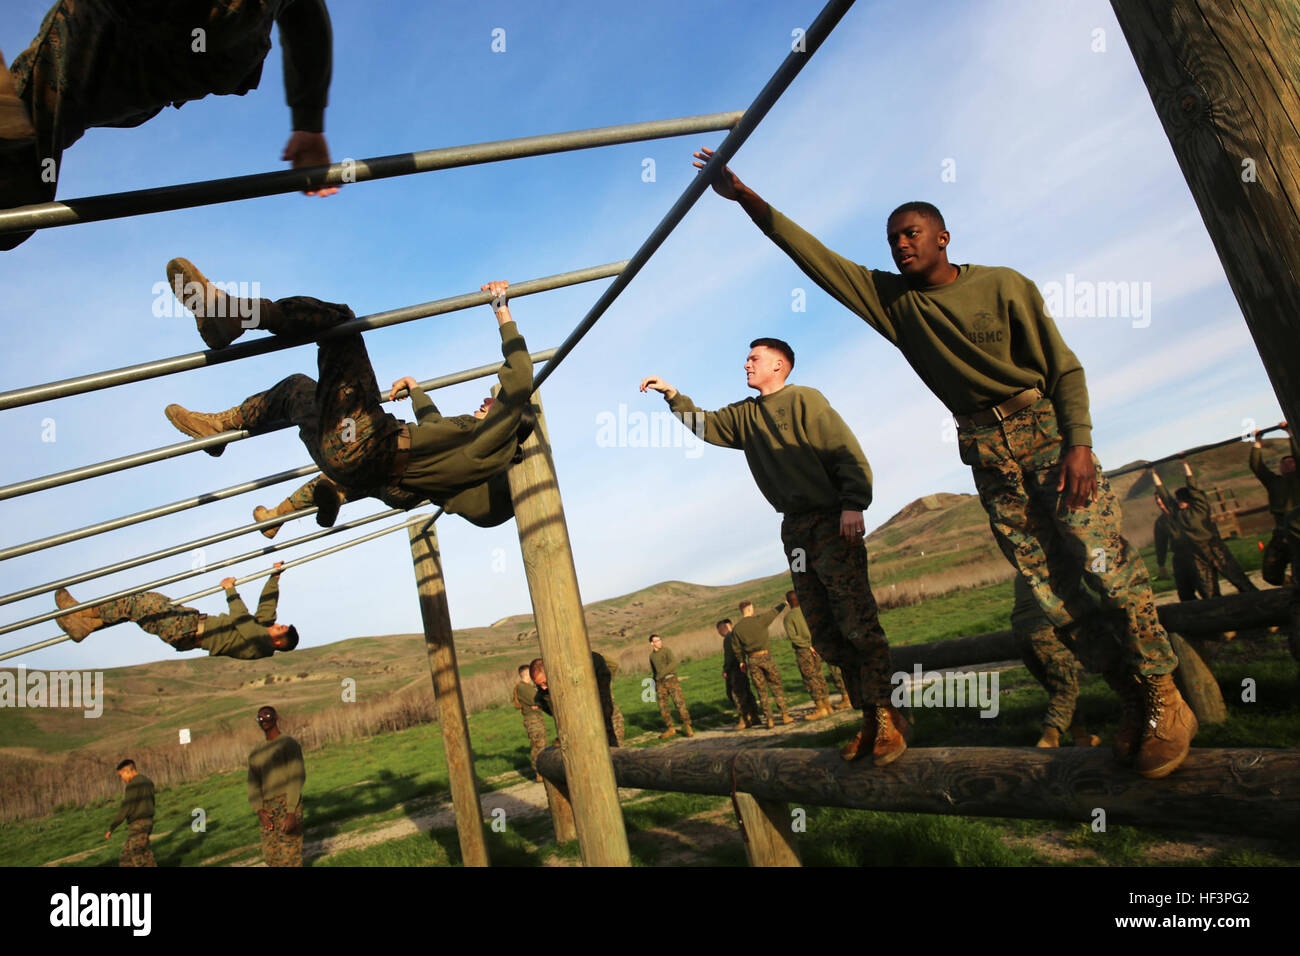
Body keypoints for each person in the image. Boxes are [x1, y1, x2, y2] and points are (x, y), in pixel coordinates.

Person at [694, 146, 1194, 779]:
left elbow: (1064, 366)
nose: (901, 245)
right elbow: (816, 260)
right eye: (892, 238)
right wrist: (747, 199)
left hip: (1044, 433)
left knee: (1106, 566)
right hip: (986, 452)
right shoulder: (896, 304)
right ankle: (1132, 698)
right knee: (1053, 591)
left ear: (941, 237)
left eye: (912, 234)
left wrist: (1080, 443)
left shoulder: (1003, 284)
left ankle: (1165, 696)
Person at [641, 339, 905, 765]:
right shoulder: (745, 416)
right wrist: (673, 395)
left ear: (779, 365)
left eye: (754, 358)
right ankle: (871, 720)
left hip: (832, 518)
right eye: (747, 358)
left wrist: (854, 501)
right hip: (795, 528)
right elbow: (705, 424)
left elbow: (842, 449)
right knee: (826, 633)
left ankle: (887, 717)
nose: (746, 364)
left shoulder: (805, 400)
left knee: (857, 623)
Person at [161, 263, 535, 525]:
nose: (489, 400)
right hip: (344, 454)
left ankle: (232, 314)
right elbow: (434, 423)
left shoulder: (493, 446)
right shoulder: (467, 445)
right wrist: (418, 390)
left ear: (509, 424)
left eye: (494, 402)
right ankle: (219, 427)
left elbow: (519, 380)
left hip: (367, 442)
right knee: (297, 389)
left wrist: (501, 308)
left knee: (342, 323)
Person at [2, 0, 336, 250]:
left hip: (163, 36)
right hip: (193, 56)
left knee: (31, 136)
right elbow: (306, 15)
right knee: (19, 193)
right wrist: (308, 123)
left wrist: (309, 120)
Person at [54, 562, 298, 659]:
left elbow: (243, 620)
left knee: (137, 603)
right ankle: (86, 625)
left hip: (187, 629)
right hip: (187, 626)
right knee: (143, 606)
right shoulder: (263, 635)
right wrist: (274, 576)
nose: (276, 625)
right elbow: (267, 610)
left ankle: (83, 613)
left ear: (278, 643)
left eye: (280, 629)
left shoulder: (261, 644)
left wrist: (230, 590)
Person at [1011, 576, 1101, 748]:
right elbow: (1078, 595)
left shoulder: (1023, 567)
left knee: (1057, 688)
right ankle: (1048, 741)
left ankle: (1080, 736)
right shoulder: (1053, 561)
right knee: (1067, 688)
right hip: (1045, 629)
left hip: (1021, 633)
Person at [1150, 458, 1257, 597]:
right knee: (1209, 591)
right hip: (1197, 555)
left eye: (1180, 499)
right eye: (1177, 500)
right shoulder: (1177, 514)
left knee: (1238, 579)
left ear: (1188, 499)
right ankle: (1217, 612)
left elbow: (1193, 487)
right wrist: (1152, 472)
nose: (1177, 501)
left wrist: (1185, 464)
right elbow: (1164, 494)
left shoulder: (1200, 508)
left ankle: (1257, 601)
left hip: (1214, 548)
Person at [247, 705, 305, 867]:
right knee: (271, 857)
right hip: (267, 809)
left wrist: (291, 812)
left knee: (289, 856)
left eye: (267, 716)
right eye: (260, 718)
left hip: (287, 803)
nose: (263, 720)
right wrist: (259, 810)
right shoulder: (256, 752)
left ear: (276, 717)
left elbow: (296, 777)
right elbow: (252, 783)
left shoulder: (288, 744)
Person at [727, 599, 795, 732]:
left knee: (761, 690)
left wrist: (742, 661)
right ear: (751, 609)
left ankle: (769, 719)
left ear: (741, 611)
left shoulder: (737, 629)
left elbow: (736, 649)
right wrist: (784, 604)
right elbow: (774, 612)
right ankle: (785, 715)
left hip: (752, 660)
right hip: (766, 657)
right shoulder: (760, 620)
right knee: (776, 686)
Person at [530, 654, 624, 748]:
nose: (543, 687)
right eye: (539, 685)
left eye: (544, 682)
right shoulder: (545, 694)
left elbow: (611, 666)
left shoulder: (585, 665)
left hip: (603, 714)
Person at [1249, 423, 1300, 587]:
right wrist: (1257, 442)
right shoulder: (1274, 482)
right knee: (1270, 574)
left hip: (1298, 529)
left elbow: (1298, 454)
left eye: (1291, 462)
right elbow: (1257, 467)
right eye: (1284, 463)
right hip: (1281, 531)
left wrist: (1289, 433)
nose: (1287, 464)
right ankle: (1292, 587)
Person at [783, 590, 832, 721]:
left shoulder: (789, 618)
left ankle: (820, 708)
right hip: (816, 647)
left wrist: (807, 645)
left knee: (810, 679)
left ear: (788, 602)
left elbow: (793, 637)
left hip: (803, 650)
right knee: (819, 674)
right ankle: (828, 705)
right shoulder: (808, 611)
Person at [105, 759, 156, 867]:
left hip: (138, 824)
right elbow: (152, 802)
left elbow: (125, 808)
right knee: (126, 857)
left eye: (121, 775)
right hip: (148, 821)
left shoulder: (132, 785)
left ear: (127, 771)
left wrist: (112, 827)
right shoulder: (148, 781)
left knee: (139, 856)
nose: (122, 778)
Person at [717, 618, 759, 730]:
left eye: (719, 629)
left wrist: (726, 669)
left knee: (737, 694)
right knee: (747, 692)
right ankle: (754, 716)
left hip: (734, 669)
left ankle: (744, 719)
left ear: (722, 628)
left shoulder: (728, 638)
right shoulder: (737, 634)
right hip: (742, 666)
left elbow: (729, 656)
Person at [648, 634, 692, 739]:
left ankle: (687, 726)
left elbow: (673, 663)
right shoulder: (651, 656)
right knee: (663, 707)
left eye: (660, 640)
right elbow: (654, 671)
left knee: (679, 703)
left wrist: (661, 674)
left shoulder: (666, 650)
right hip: (660, 683)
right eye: (657, 641)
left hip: (671, 680)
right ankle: (670, 728)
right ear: (652, 643)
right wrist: (654, 684)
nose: (659, 642)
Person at [512, 664, 548, 782]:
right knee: (539, 745)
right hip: (533, 720)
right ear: (526, 674)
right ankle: (540, 772)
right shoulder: (524, 688)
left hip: (535, 719)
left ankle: (541, 771)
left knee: (540, 744)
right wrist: (538, 703)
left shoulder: (527, 687)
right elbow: (536, 700)